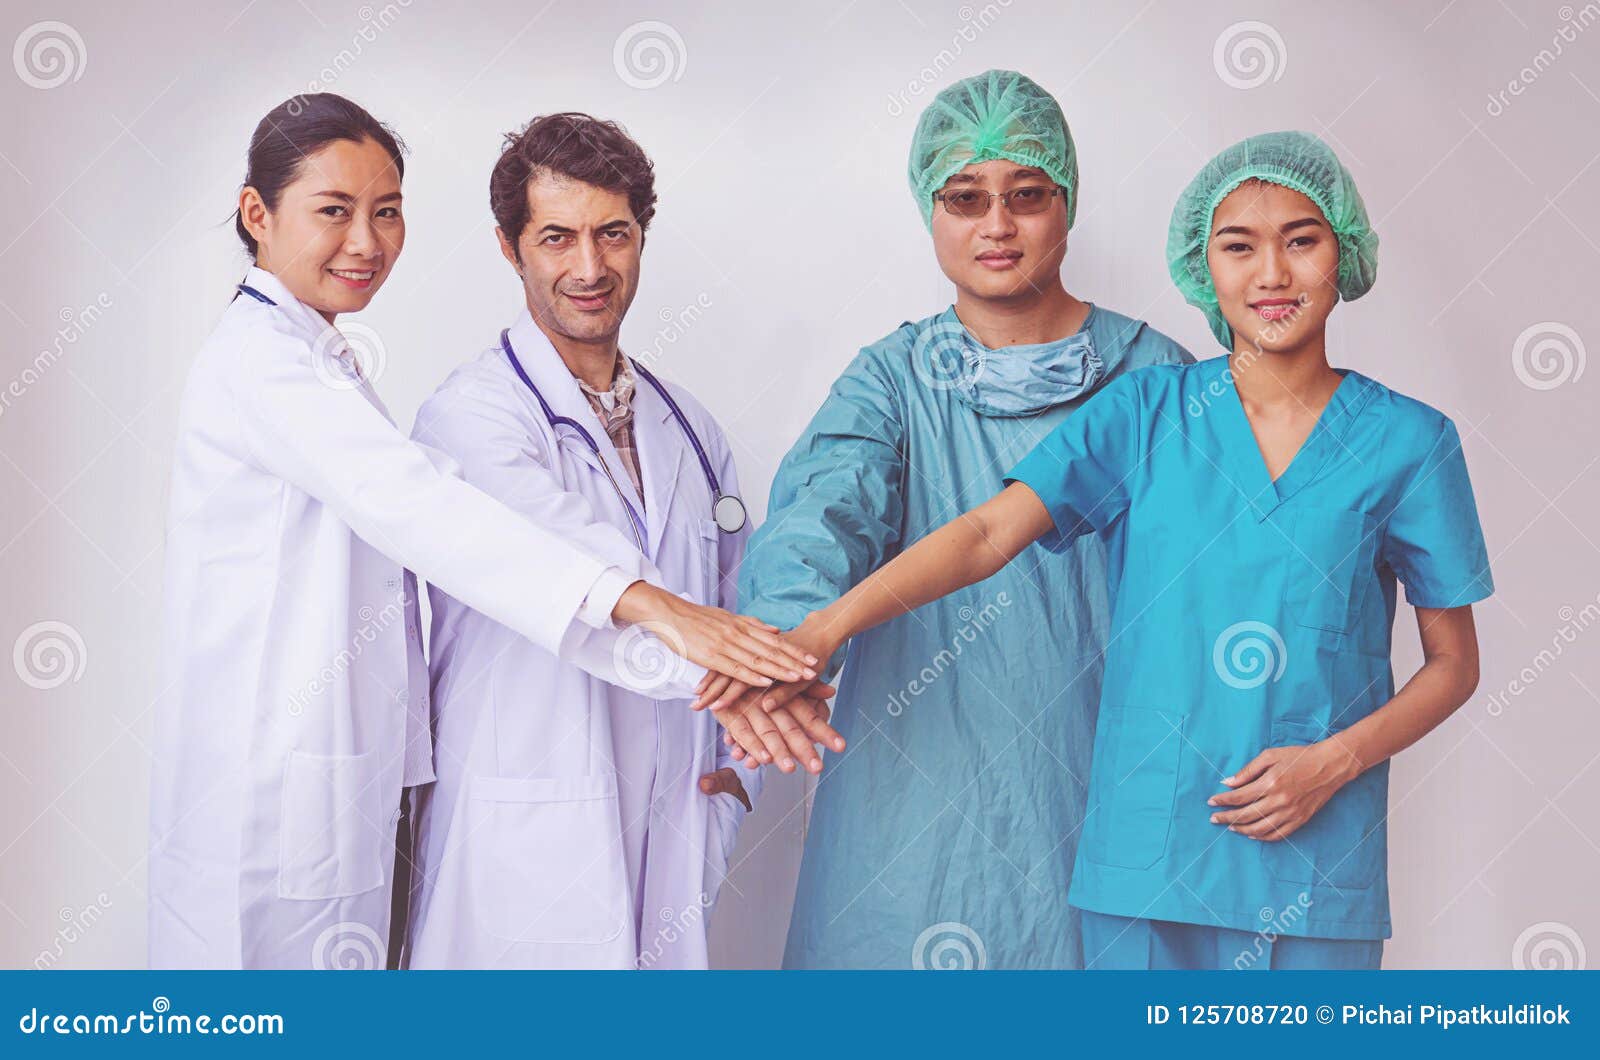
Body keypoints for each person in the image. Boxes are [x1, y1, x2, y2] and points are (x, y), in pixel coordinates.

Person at [731, 130, 1490, 970]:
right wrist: (825, 628)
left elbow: (1453, 662)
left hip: (1316, 867)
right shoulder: (1150, 410)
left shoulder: (1410, 442)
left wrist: (1335, 760)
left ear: (1342, 254)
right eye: (1239, 246)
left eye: (1300, 240)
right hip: (1142, 868)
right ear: (1205, 269)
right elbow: (986, 534)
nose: (1271, 274)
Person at [149, 94, 816, 970]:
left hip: (584, 813)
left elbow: (738, 585)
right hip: (317, 806)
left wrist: (746, 741)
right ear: (256, 214)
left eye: (386, 212)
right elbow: (435, 512)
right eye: (334, 212)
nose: (365, 241)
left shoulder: (686, 429)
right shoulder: (293, 373)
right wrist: (657, 610)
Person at [694, 70, 1193, 969]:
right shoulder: (893, 380)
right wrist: (782, 648)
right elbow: (821, 515)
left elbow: (1218, 575)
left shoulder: (1157, 380)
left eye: (1026, 196)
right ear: (931, 213)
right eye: (965, 199)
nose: (996, 226)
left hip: (1106, 782)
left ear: (1067, 207)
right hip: (908, 803)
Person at [402, 114, 840, 969]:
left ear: (642, 234)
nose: (590, 268)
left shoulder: (688, 426)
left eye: (614, 234)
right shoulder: (472, 417)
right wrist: (755, 689)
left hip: (674, 809)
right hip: (522, 815)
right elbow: (567, 568)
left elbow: (733, 594)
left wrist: (736, 764)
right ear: (509, 247)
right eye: (557, 238)